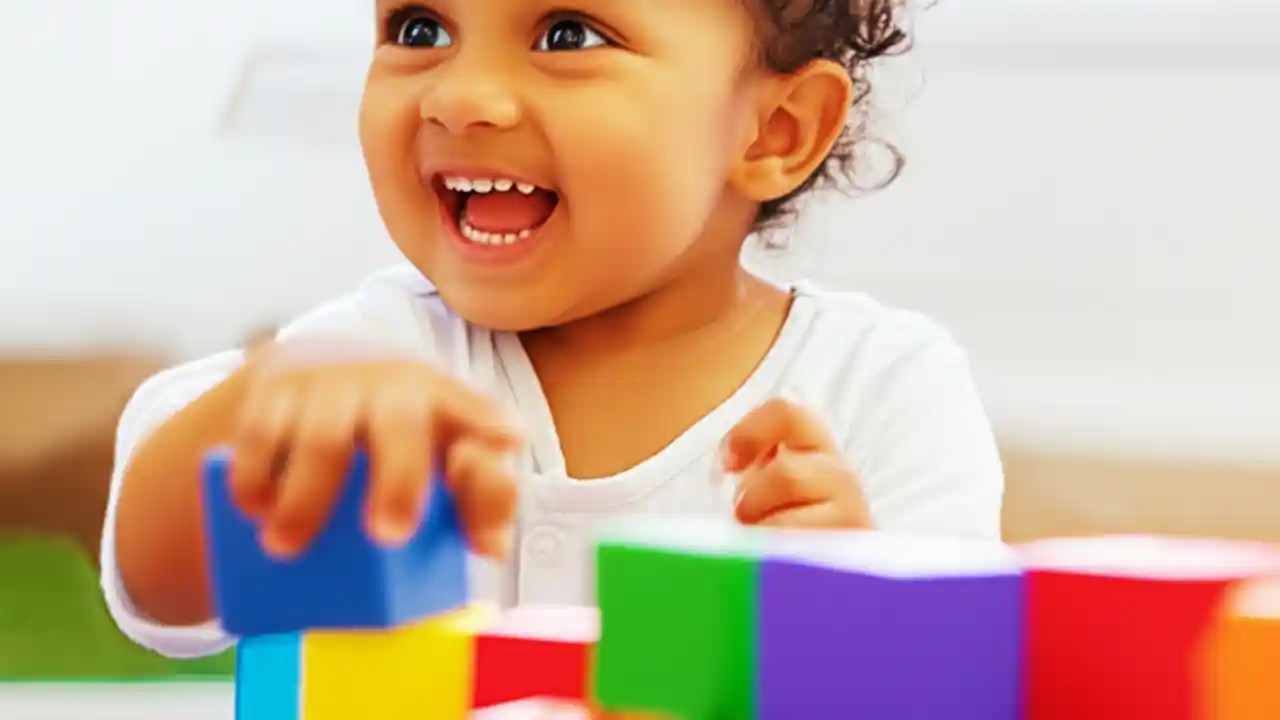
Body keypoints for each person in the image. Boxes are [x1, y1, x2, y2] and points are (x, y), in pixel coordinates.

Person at [101, 0, 1004, 662]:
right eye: (419, 29)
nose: (462, 97)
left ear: (775, 129)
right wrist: (266, 404)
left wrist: (853, 611)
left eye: (567, 34)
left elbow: (961, 677)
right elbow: (157, 588)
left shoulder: (883, 388)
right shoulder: (375, 364)